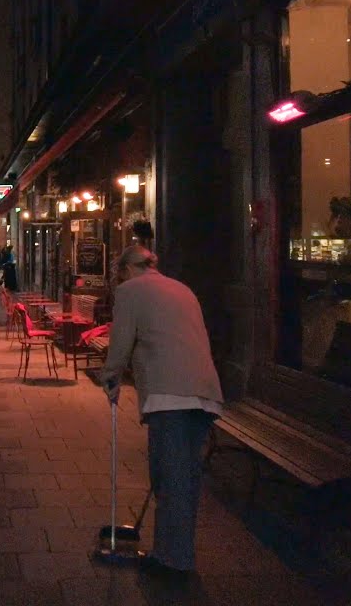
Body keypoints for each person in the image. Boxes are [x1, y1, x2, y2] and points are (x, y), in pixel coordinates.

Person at [100, 245, 224, 579]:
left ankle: (172, 559)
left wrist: (110, 375)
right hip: (204, 392)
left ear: (126, 269)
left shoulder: (129, 291)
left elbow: (121, 340)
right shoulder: (181, 288)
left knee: (169, 478)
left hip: (169, 393)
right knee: (185, 477)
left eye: (118, 273)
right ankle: (178, 551)